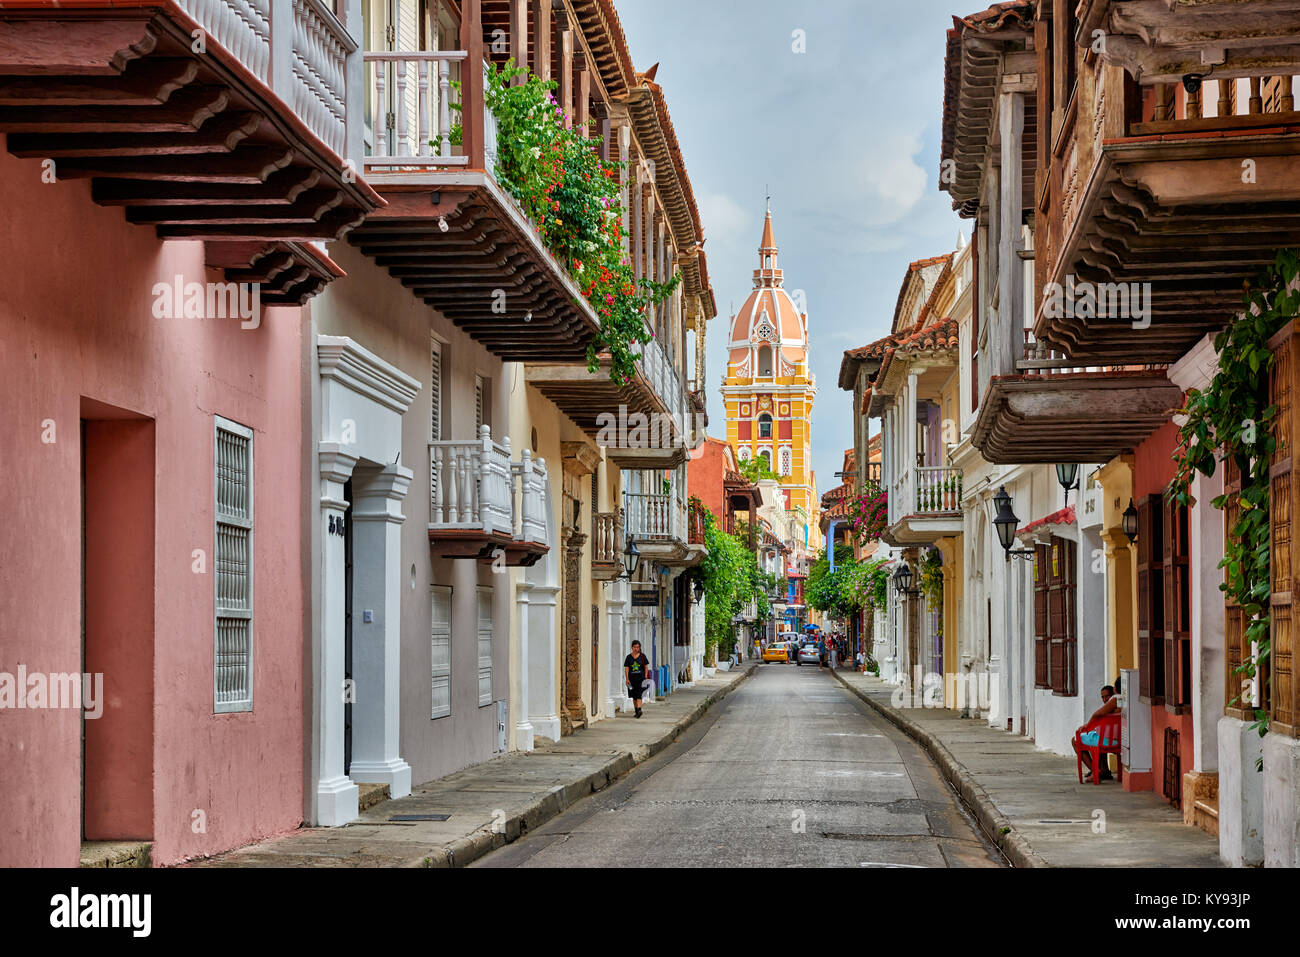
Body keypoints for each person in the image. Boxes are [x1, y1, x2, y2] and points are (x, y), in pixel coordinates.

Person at [1072, 685, 1119, 781]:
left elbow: (1097, 714)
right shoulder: (1120, 707)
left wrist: (1087, 726)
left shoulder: (1113, 704)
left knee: (1075, 741)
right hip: (1118, 741)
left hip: (1110, 742)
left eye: (1107, 696)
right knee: (1097, 737)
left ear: (1114, 693)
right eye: (1103, 697)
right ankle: (1104, 770)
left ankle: (1095, 770)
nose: (1105, 699)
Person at [624, 640, 651, 718]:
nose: (636, 649)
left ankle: (639, 710)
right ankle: (636, 711)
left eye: (638, 647)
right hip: (631, 680)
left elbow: (646, 667)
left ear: (639, 648)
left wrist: (645, 676)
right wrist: (627, 679)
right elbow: (626, 668)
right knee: (634, 696)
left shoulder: (642, 656)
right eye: (635, 647)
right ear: (632, 647)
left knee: (639, 695)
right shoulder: (628, 657)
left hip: (641, 679)